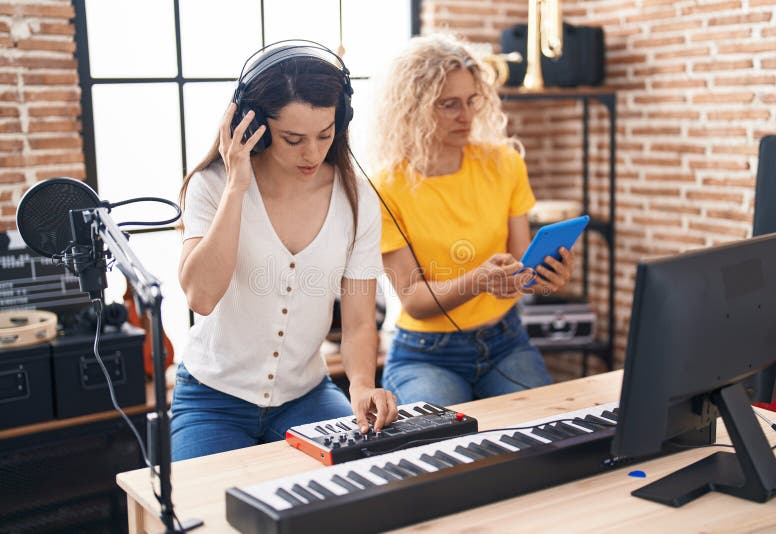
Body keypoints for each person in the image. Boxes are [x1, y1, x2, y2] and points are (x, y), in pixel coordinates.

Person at [172, 42, 397, 461]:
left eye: (325, 135)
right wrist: (237, 187)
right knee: (203, 515)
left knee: (370, 474)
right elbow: (200, 298)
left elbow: (360, 320)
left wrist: (363, 384)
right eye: (293, 139)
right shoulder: (213, 185)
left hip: (306, 397)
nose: (312, 153)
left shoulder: (359, 198)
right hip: (212, 400)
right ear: (251, 126)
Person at [371, 34, 576, 406]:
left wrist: (545, 278)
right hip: (426, 353)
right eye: (449, 105)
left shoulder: (505, 164)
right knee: (445, 454)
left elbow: (519, 272)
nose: (466, 116)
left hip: (506, 341)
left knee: (549, 434)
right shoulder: (386, 186)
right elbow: (415, 301)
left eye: (471, 101)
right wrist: (479, 279)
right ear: (413, 109)